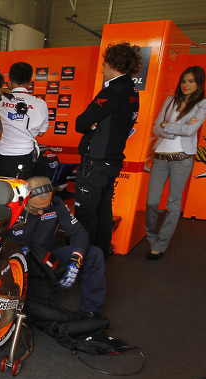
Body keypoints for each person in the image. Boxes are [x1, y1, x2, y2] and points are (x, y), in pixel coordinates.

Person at [74, 41, 141, 255]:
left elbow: (81, 123)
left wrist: (93, 124)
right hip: (112, 160)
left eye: (104, 64)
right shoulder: (132, 90)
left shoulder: (113, 91)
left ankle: (81, 259)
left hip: (96, 162)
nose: (102, 68)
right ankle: (98, 255)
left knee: (85, 212)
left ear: (113, 64)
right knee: (103, 211)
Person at [10, 176, 106, 317]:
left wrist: (76, 260)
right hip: (19, 260)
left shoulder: (56, 204)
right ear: (25, 199)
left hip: (46, 255)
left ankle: (91, 312)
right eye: (36, 209)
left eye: (45, 208)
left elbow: (79, 233)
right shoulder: (11, 208)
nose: (41, 212)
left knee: (94, 254)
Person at [144, 66, 206, 260]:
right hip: (160, 158)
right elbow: (157, 128)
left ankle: (160, 245)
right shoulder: (170, 100)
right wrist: (175, 128)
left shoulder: (204, 103)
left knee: (173, 204)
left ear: (199, 83)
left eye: (191, 81)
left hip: (182, 160)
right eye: (183, 81)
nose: (186, 85)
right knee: (152, 203)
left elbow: (191, 131)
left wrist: (168, 126)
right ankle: (152, 238)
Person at [0, 62, 49, 179]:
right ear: (29, 84)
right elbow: (41, 133)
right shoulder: (40, 104)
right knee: (22, 195)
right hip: (25, 158)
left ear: (9, 81)